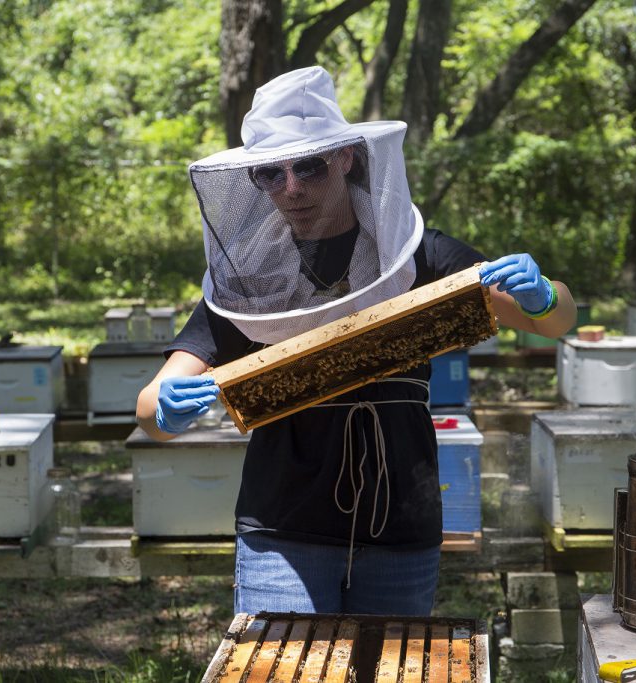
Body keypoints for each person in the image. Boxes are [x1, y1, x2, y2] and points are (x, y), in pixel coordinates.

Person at [136, 66, 576, 617]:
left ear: (345, 156)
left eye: (309, 167)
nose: (290, 189)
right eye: (270, 174)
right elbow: (151, 406)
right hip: (283, 530)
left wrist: (543, 297)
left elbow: (552, 322)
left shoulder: (417, 254)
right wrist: (165, 411)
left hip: (400, 521)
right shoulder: (246, 281)